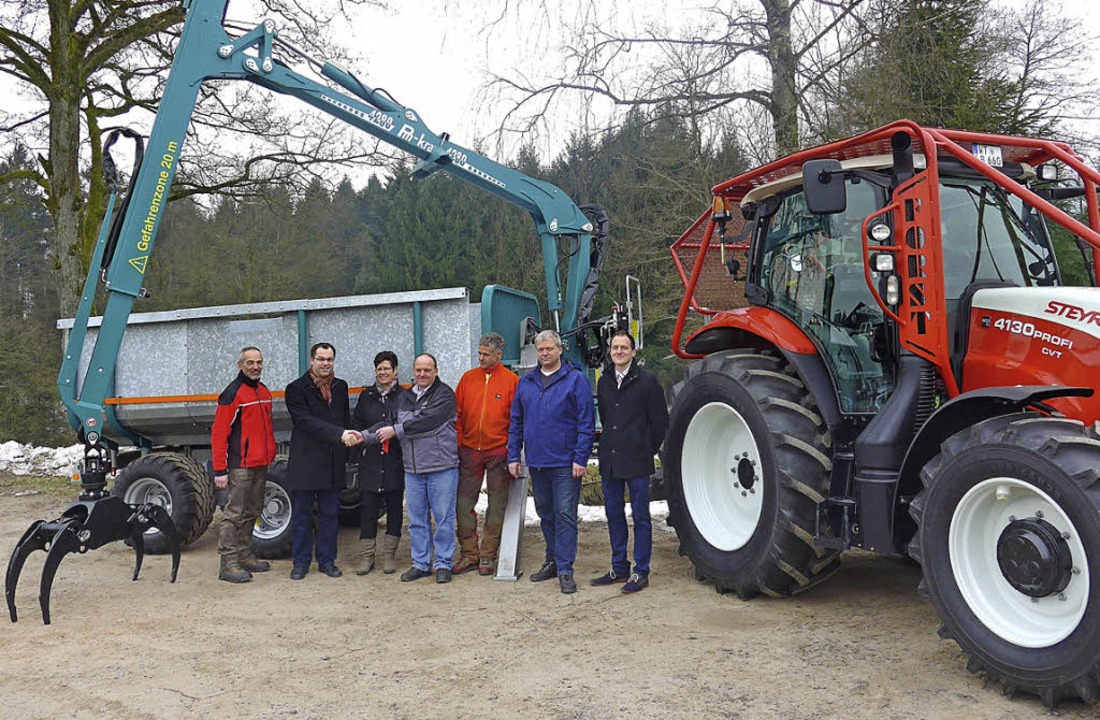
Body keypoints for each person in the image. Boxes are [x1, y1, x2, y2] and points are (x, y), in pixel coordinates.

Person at [508, 329, 595, 594]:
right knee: (545, 513)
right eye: (540, 350)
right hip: (537, 461)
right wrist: (513, 455)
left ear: (560, 349)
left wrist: (581, 457)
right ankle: (552, 560)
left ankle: (566, 569)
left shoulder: (575, 380)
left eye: (549, 349)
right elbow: (516, 421)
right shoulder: (526, 382)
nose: (545, 353)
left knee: (565, 514)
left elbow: (586, 422)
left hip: (566, 463)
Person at [592, 331, 669, 593]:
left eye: (624, 347)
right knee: (614, 514)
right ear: (610, 351)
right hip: (611, 460)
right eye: (615, 347)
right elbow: (605, 416)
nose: (619, 351)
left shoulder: (647, 382)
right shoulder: (604, 381)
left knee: (640, 517)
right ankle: (619, 567)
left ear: (633, 352)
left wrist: (646, 448)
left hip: (637, 460)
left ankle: (641, 571)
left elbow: (660, 422)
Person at [374, 353, 459, 584]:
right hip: (413, 469)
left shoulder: (444, 395)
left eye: (427, 370)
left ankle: (443, 563)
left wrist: (396, 431)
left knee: (443, 519)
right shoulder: (405, 397)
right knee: (417, 520)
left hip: (441, 467)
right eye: (418, 370)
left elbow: (427, 422)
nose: (422, 374)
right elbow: (388, 424)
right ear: (413, 371)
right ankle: (421, 564)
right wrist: (361, 436)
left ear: (436, 371)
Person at [284, 342, 359, 580]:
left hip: (332, 461)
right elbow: (305, 421)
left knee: (330, 515)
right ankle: (301, 563)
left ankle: (327, 561)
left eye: (329, 359)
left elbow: (344, 418)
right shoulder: (296, 389)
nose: (325, 363)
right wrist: (339, 434)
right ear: (312, 361)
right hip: (305, 461)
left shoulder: (340, 387)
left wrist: (348, 446)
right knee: (302, 516)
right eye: (321, 359)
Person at [453, 332, 519, 577]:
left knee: (496, 506)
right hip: (470, 451)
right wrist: (460, 443)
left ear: (499, 355)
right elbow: (457, 414)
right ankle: (469, 554)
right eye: (479, 353)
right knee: (463, 505)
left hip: (498, 452)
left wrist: (510, 449)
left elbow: (517, 419)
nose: (480, 358)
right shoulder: (468, 378)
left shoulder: (512, 381)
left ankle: (488, 555)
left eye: (486, 354)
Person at [211, 346, 277, 584]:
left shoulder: (264, 391)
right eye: (250, 363)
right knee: (234, 514)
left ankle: (244, 555)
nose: (255, 367)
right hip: (240, 465)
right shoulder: (232, 394)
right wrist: (220, 469)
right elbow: (219, 433)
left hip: (260, 463)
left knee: (253, 511)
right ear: (240, 365)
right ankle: (228, 563)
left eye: (259, 362)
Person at [351, 351, 405, 575]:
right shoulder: (366, 397)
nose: (383, 373)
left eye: (387, 368)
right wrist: (361, 448)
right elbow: (356, 424)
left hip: (394, 461)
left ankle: (389, 556)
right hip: (371, 461)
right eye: (379, 369)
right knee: (368, 510)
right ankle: (367, 557)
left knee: (394, 509)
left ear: (395, 370)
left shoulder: (404, 396)